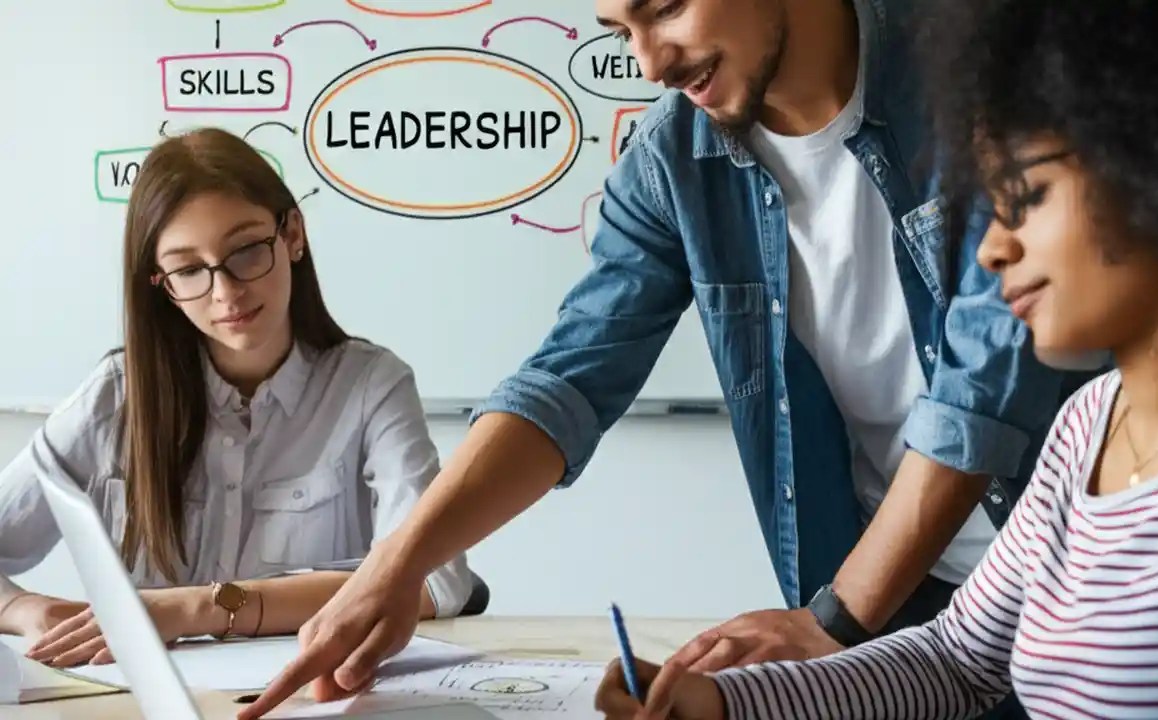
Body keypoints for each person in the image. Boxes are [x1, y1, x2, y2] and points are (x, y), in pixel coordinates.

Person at [239, 0, 1084, 715]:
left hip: (1076, 587)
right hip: (900, 622)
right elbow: (569, 377)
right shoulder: (672, 158)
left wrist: (834, 619)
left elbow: (980, 386)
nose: (650, 62)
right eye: (621, 32)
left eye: (667, 8)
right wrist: (395, 568)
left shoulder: (976, 73)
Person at [593, 0, 1158, 717]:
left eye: (1026, 197)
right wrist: (718, 704)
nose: (992, 249)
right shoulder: (1086, 428)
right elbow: (955, 659)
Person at [0, 128, 473, 667]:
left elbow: (435, 580)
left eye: (246, 251)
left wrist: (200, 608)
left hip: (312, 695)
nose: (226, 292)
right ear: (163, 284)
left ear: (292, 234)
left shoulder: (371, 386)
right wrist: (25, 608)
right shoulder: (117, 395)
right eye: (189, 270)